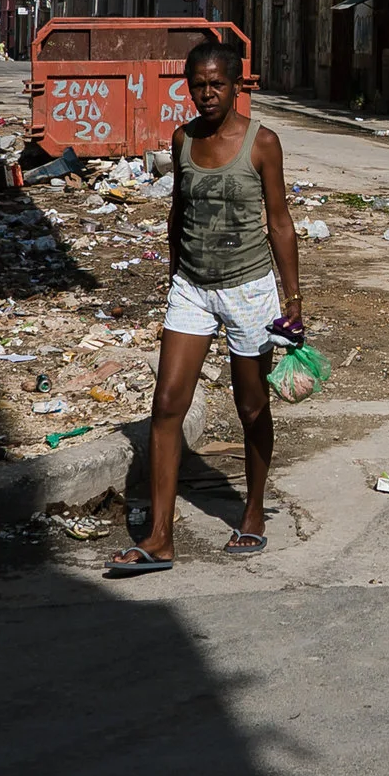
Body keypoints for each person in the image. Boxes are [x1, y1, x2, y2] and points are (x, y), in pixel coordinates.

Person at [109, 37, 303, 573]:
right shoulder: (182, 139)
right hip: (192, 287)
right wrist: (175, 278)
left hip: (249, 290)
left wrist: (294, 301)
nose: (207, 94)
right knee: (167, 403)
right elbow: (177, 213)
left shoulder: (262, 143)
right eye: (198, 85)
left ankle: (254, 511)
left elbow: (280, 221)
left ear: (237, 85)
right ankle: (159, 537)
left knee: (251, 406)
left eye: (217, 84)